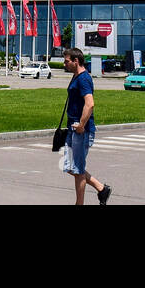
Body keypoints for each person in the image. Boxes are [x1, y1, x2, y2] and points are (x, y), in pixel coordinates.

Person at [61, 47, 111, 205]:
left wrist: (82, 125)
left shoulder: (83, 79)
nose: (64, 64)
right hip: (73, 128)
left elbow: (89, 104)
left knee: (78, 169)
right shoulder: (77, 76)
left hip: (80, 130)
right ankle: (101, 188)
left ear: (76, 61)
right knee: (69, 166)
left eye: (67, 61)